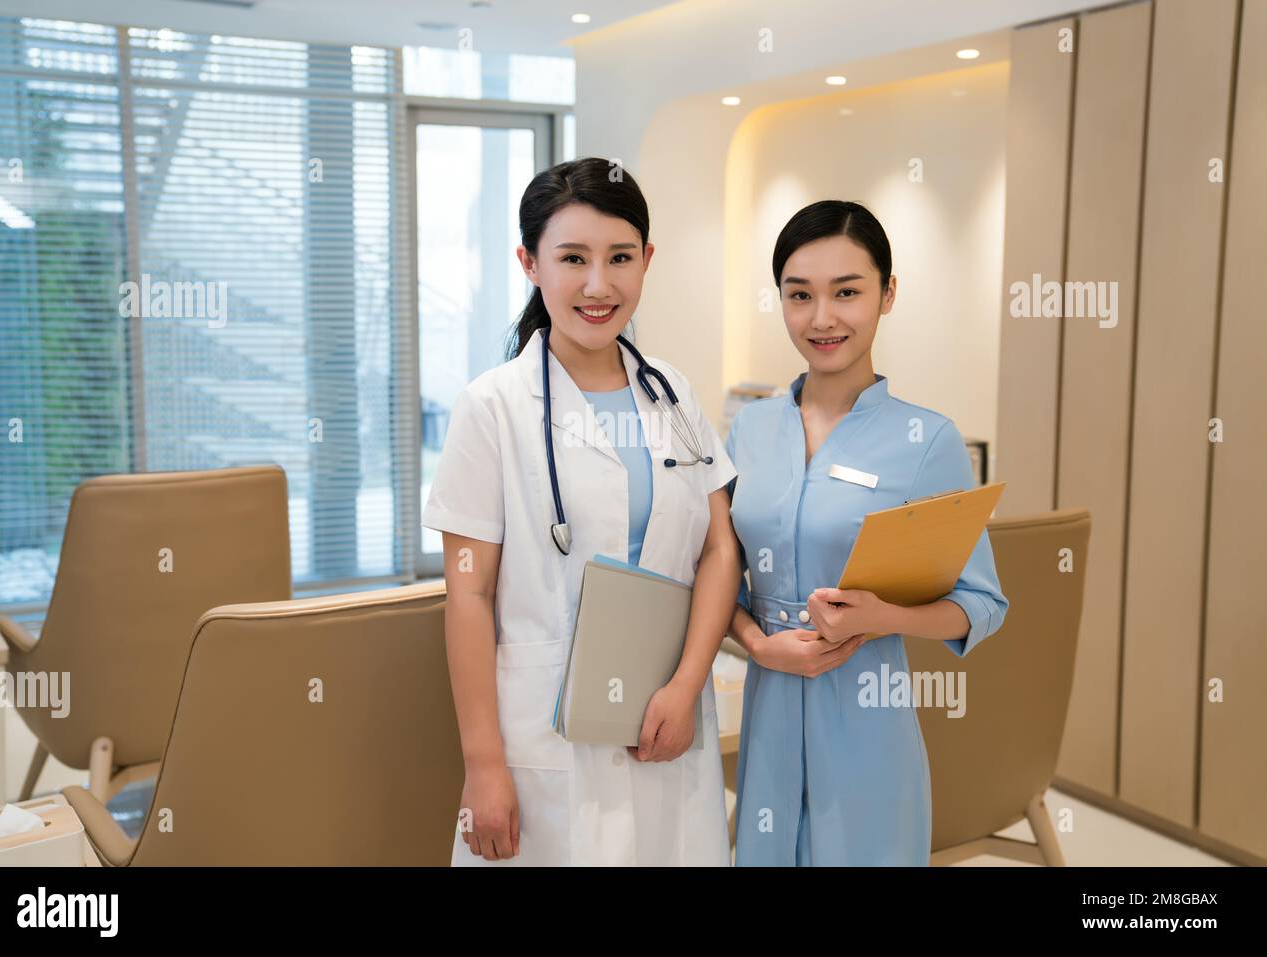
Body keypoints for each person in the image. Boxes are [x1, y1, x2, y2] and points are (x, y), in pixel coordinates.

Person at [422, 157, 741, 866]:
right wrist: (483, 763)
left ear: (647, 260)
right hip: (545, 736)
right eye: (573, 258)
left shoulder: (674, 394)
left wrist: (688, 685)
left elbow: (719, 550)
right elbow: (467, 592)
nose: (600, 285)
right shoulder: (493, 407)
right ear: (530, 263)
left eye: (620, 257)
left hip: (666, 722)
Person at [725, 199, 1009, 866]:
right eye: (800, 295)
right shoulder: (750, 430)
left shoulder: (926, 439)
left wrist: (884, 615)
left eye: (846, 292)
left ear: (887, 293)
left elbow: (983, 604)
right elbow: (716, 578)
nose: (821, 318)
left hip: (866, 727)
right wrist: (759, 644)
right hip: (766, 725)